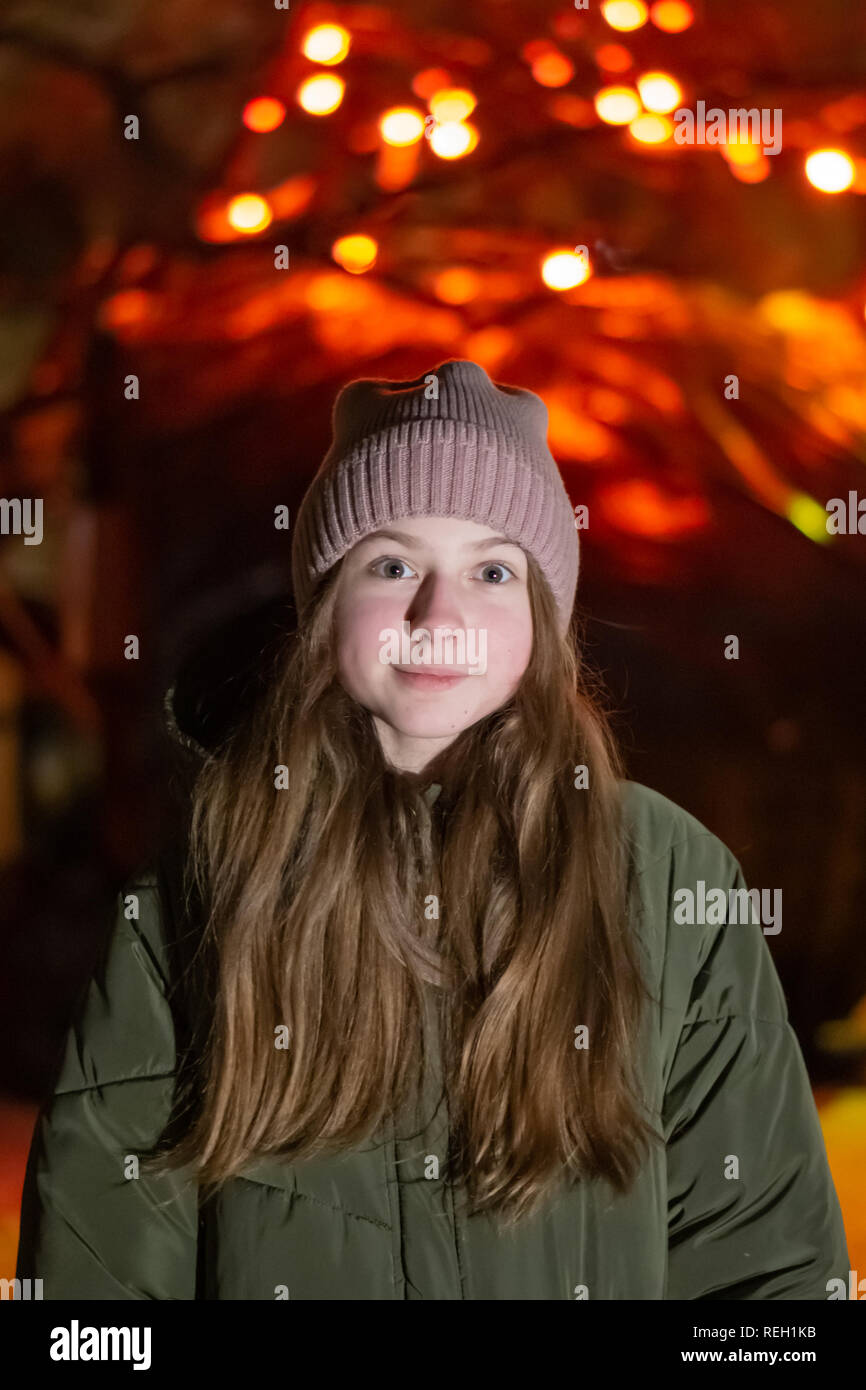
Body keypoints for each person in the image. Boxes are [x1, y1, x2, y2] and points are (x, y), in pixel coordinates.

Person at [16, 359, 851, 1299]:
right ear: (326, 600)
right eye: (393, 563)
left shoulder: (667, 877)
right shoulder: (206, 888)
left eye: (492, 569)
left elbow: (764, 1265)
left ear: (543, 615)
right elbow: (99, 1278)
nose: (439, 613)